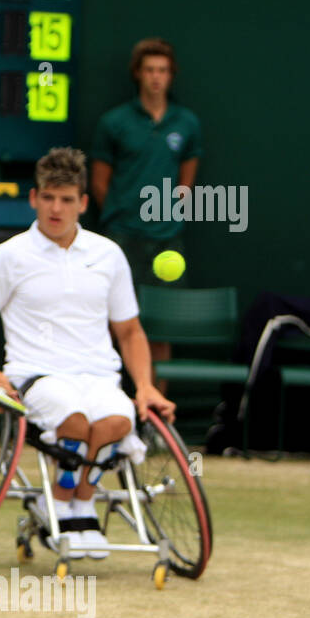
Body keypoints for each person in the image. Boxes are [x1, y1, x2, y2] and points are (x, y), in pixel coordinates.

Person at [0, 147, 175, 559]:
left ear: (83, 203)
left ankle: (80, 503)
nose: (57, 208)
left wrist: (144, 386)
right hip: (35, 377)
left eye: (67, 199)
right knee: (72, 418)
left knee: (116, 419)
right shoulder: (9, 256)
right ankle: (60, 503)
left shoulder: (109, 255)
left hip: (98, 378)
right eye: (48, 197)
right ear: (34, 198)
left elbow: (129, 331)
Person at [91, 37, 202, 370]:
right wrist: (118, 218)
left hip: (167, 239)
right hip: (122, 238)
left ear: (171, 75)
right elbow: (99, 182)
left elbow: (187, 180)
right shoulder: (114, 123)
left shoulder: (187, 123)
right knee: (114, 326)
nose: (156, 77)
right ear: (138, 74)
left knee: (160, 332)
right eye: (150, 70)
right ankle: (113, 407)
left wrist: (169, 215)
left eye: (163, 70)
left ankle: (154, 418)